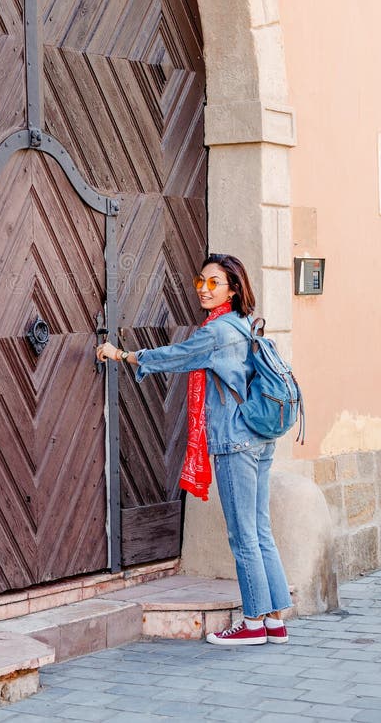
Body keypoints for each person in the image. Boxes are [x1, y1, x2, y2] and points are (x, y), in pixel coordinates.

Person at [95, 253, 291, 646]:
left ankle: (252, 623)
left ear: (233, 290)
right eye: (200, 281)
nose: (203, 289)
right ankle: (274, 620)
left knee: (243, 537)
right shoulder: (244, 324)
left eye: (213, 283)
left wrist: (124, 355)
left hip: (236, 441)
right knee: (260, 531)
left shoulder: (218, 332)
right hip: (259, 437)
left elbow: (176, 356)